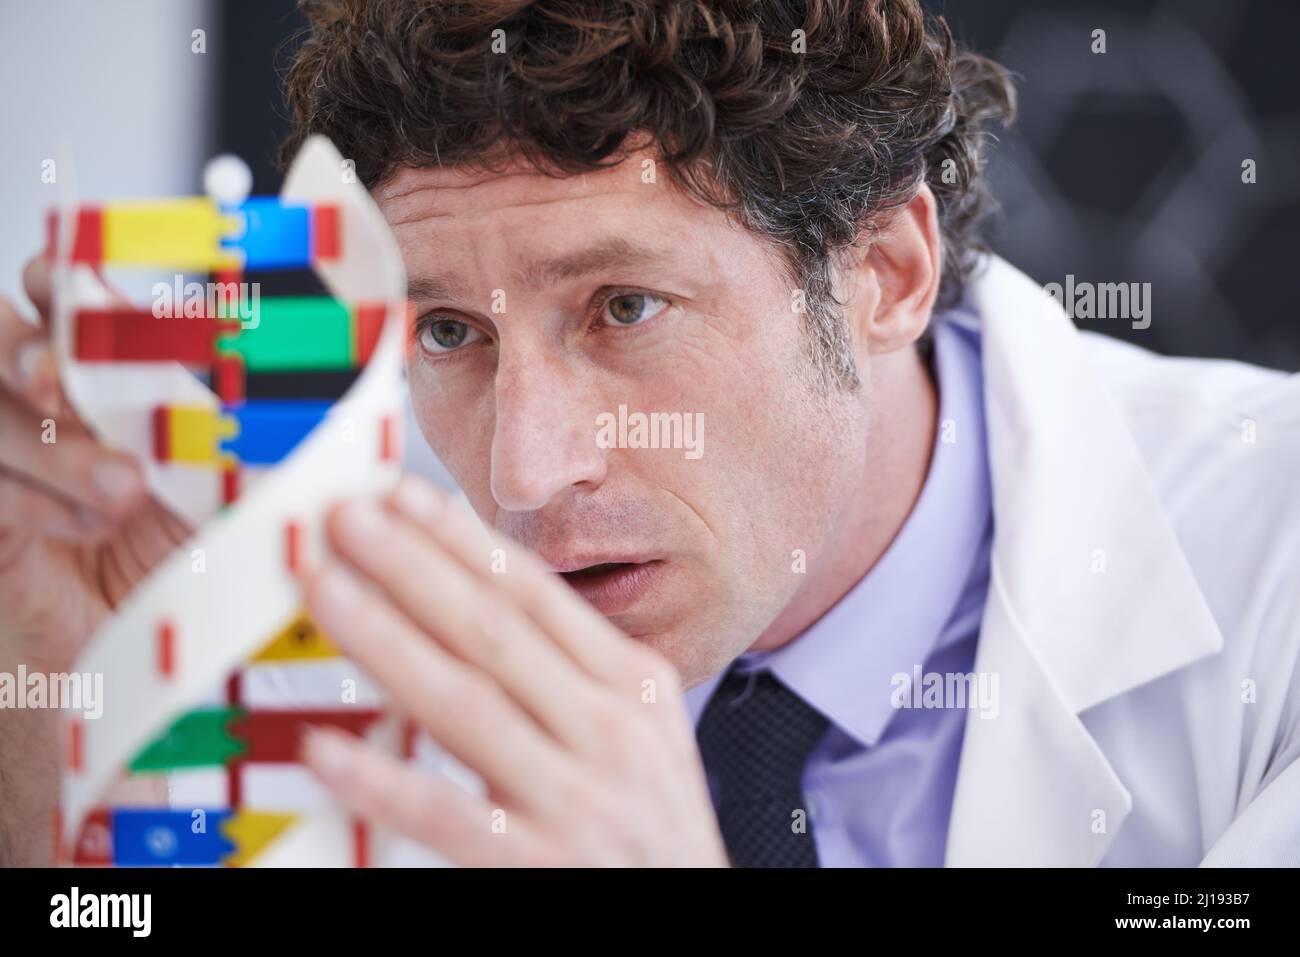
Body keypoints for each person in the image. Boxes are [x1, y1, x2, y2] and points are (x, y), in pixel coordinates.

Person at [1, 0, 1297, 867]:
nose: (521, 471)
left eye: (624, 307)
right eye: (448, 330)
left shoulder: (1273, 566)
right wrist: (62, 693)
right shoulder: (316, 556)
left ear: (888, 270)